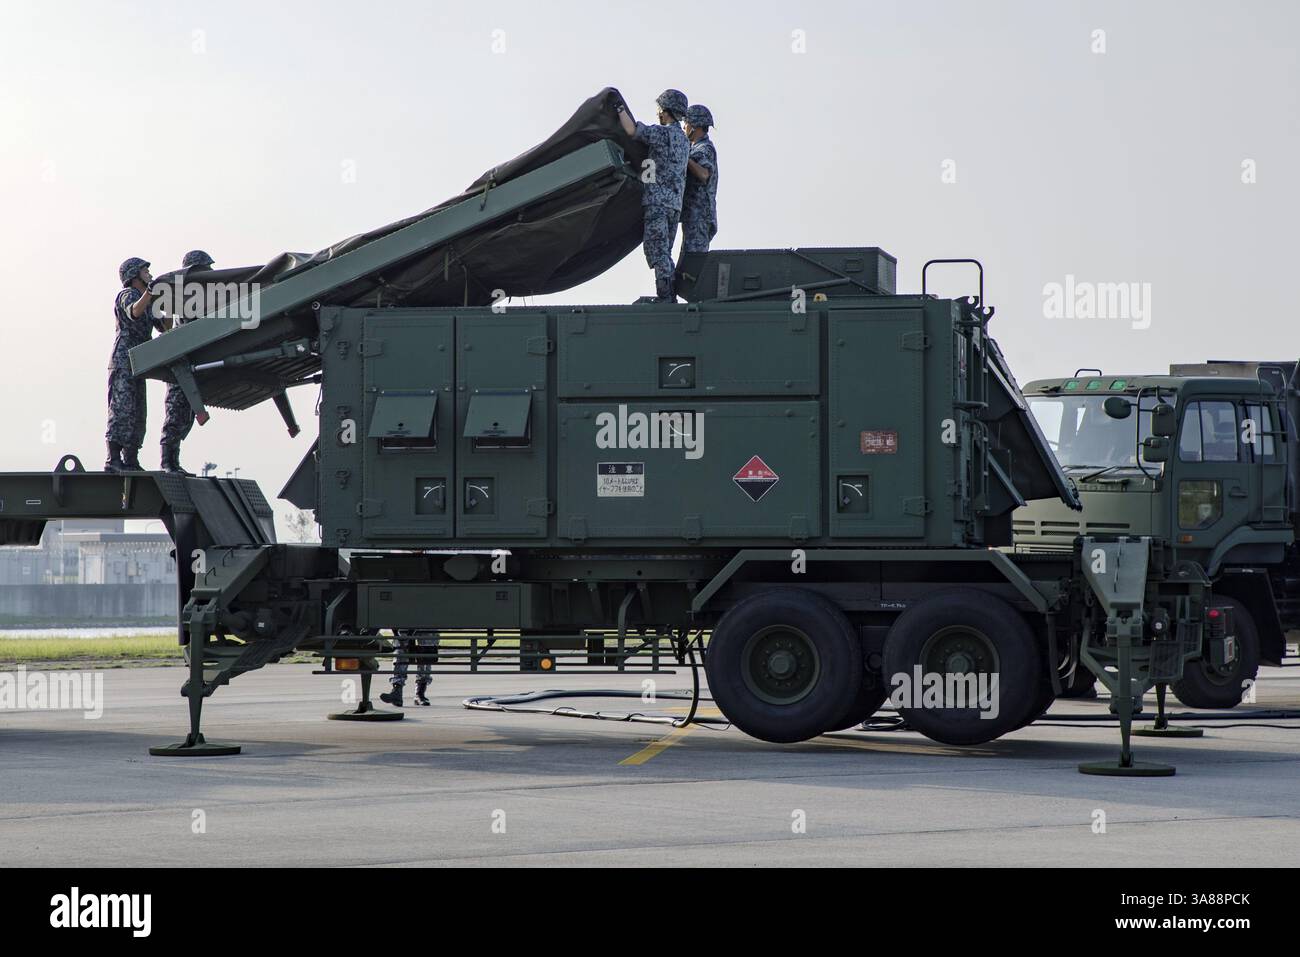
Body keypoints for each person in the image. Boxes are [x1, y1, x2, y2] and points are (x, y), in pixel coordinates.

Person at [615, 89, 689, 301]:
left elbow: (631, 130)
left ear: (666, 112)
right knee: (666, 252)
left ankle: (666, 296)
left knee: (658, 252)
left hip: (657, 203)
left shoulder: (662, 134)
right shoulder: (684, 141)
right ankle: (670, 294)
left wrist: (619, 108)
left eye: (660, 110)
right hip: (674, 206)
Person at [106, 258, 168, 473]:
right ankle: (113, 459)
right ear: (134, 274)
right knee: (122, 410)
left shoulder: (149, 301)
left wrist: (164, 304)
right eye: (145, 270)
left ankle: (131, 459)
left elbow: (164, 328)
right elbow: (134, 311)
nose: (149, 273)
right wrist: (150, 294)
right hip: (124, 360)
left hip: (141, 361)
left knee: (138, 413)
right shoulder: (128, 295)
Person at [158, 249, 215, 475]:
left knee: (186, 418)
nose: (209, 272)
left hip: (193, 361)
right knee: (176, 413)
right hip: (182, 362)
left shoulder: (203, 295)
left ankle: (173, 462)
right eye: (205, 269)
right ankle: (167, 462)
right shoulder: (184, 295)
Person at [680, 104, 719, 255]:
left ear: (695, 126)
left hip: (700, 217)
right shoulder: (694, 148)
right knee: (687, 260)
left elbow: (703, 174)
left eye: (687, 123)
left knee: (693, 262)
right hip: (693, 216)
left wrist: (686, 159)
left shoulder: (704, 149)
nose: (684, 127)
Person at [380, 630, 438, 707]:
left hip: (426, 623)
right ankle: (397, 691)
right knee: (401, 650)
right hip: (407, 624)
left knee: (426, 652)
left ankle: (420, 693)